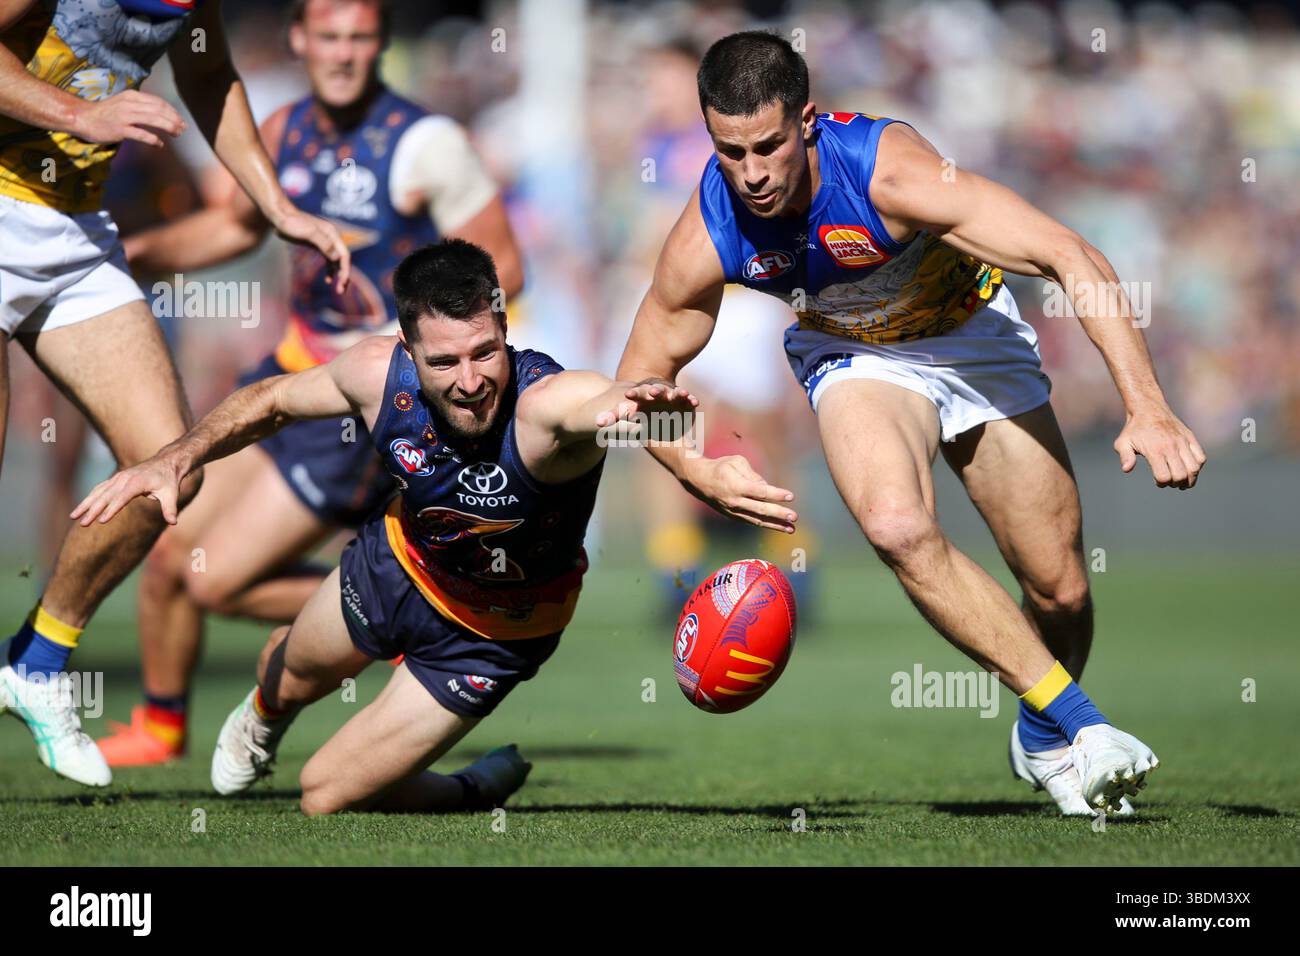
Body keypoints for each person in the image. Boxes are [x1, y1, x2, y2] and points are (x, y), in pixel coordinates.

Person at [616, 32, 1207, 816]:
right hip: (853, 355)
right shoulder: (708, 233)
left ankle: (1040, 733)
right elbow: (634, 388)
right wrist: (695, 471)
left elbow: (1072, 256)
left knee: (1060, 590)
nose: (753, 174)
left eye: (768, 146)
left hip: (972, 340)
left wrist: (1148, 405)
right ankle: (1085, 727)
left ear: (807, 122)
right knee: (896, 525)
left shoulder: (891, 173)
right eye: (731, 151)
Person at [72, 239, 698, 814]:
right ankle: (267, 714)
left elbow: (599, 404)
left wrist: (664, 435)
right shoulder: (376, 373)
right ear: (407, 347)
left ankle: (471, 787)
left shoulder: (544, 403)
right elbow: (270, 401)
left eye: (486, 352)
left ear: (506, 328)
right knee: (280, 673)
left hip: (494, 632)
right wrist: (174, 458)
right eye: (444, 361)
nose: (472, 380)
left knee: (322, 795)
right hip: (396, 564)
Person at [96, 0, 524, 767]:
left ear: (382, 45)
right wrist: (134, 253)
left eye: (360, 37)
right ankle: (160, 729)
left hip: (358, 405)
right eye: (328, 36)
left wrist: (416, 338)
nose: (343, 53)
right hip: (288, 374)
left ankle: (406, 604)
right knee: (168, 539)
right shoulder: (284, 127)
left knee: (215, 581)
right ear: (299, 39)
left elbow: (505, 266)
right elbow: (234, 226)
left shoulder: (426, 144)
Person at [0, 0, 350, 787]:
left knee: (169, 468)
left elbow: (209, 73)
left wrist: (276, 206)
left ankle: (37, 662)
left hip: (71, 229)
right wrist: (78, 114)